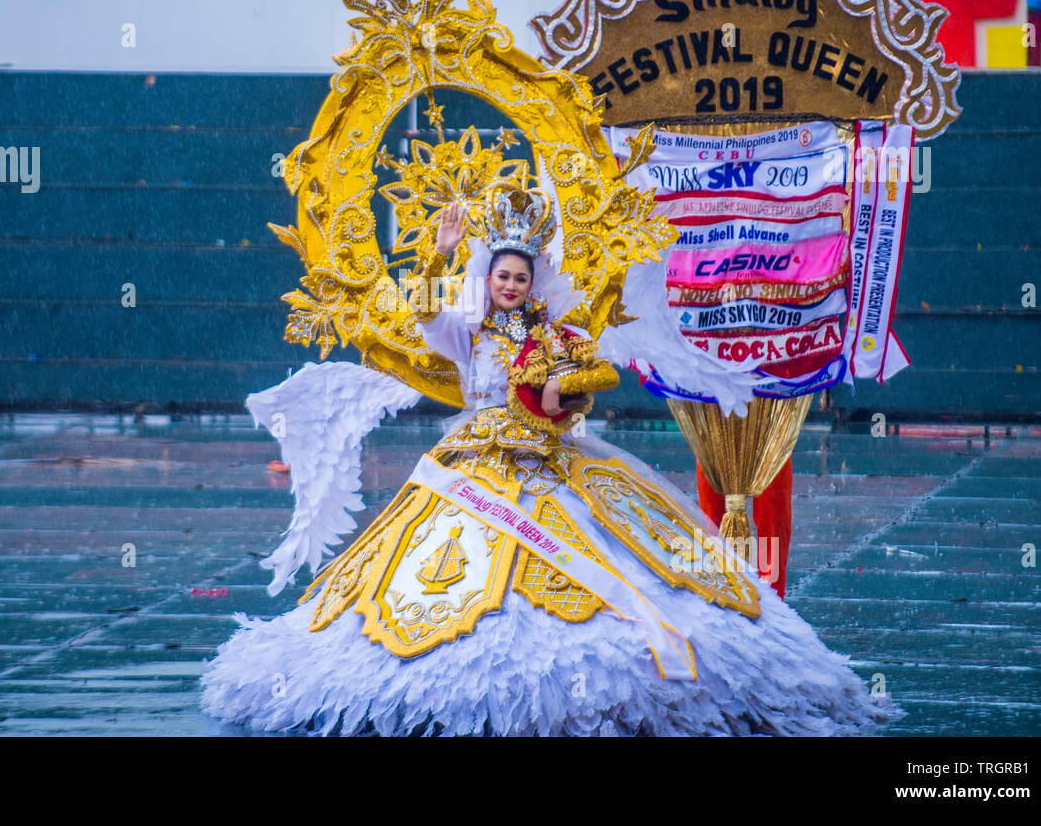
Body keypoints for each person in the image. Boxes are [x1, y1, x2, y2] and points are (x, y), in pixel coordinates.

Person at [201, 189, 895, 736]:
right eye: (500, 274)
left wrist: (564, 392)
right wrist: (441, 253)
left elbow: (587, 383)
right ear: (488, 277)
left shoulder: (554, 334)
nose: (509, 284)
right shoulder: (465, 329)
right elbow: (419, 315)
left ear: (532, 283)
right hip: (471, 465)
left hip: (554, 465)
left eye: (519, 276)